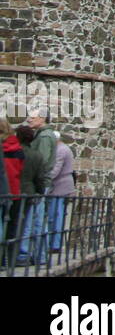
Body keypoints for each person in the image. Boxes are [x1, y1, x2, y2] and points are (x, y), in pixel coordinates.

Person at [17, 108, 57, 266]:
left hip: (39, 183)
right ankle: (38, 255)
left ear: (42, 118)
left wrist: (37, 184)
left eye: (32, 117)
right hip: (41, 182)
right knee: (37, 220)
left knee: (35, 220)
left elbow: (42, 163)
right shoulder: (44, 135)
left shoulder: (45, 137)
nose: (29, 120)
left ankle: (29, 255)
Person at [47, 134, 75, 253]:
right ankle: (55, 243)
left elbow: (55, 170)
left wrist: (44, 180)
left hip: (60, 186)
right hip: (62, 185)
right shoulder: (63, 148)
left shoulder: (60, 150)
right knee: (57, 214)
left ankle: (55, 244)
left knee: (56, 214)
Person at [0, 118, 20, 262]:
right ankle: (6, 258)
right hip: (12, 191)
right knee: (9, 225)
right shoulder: (18, 148)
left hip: (6, 190)